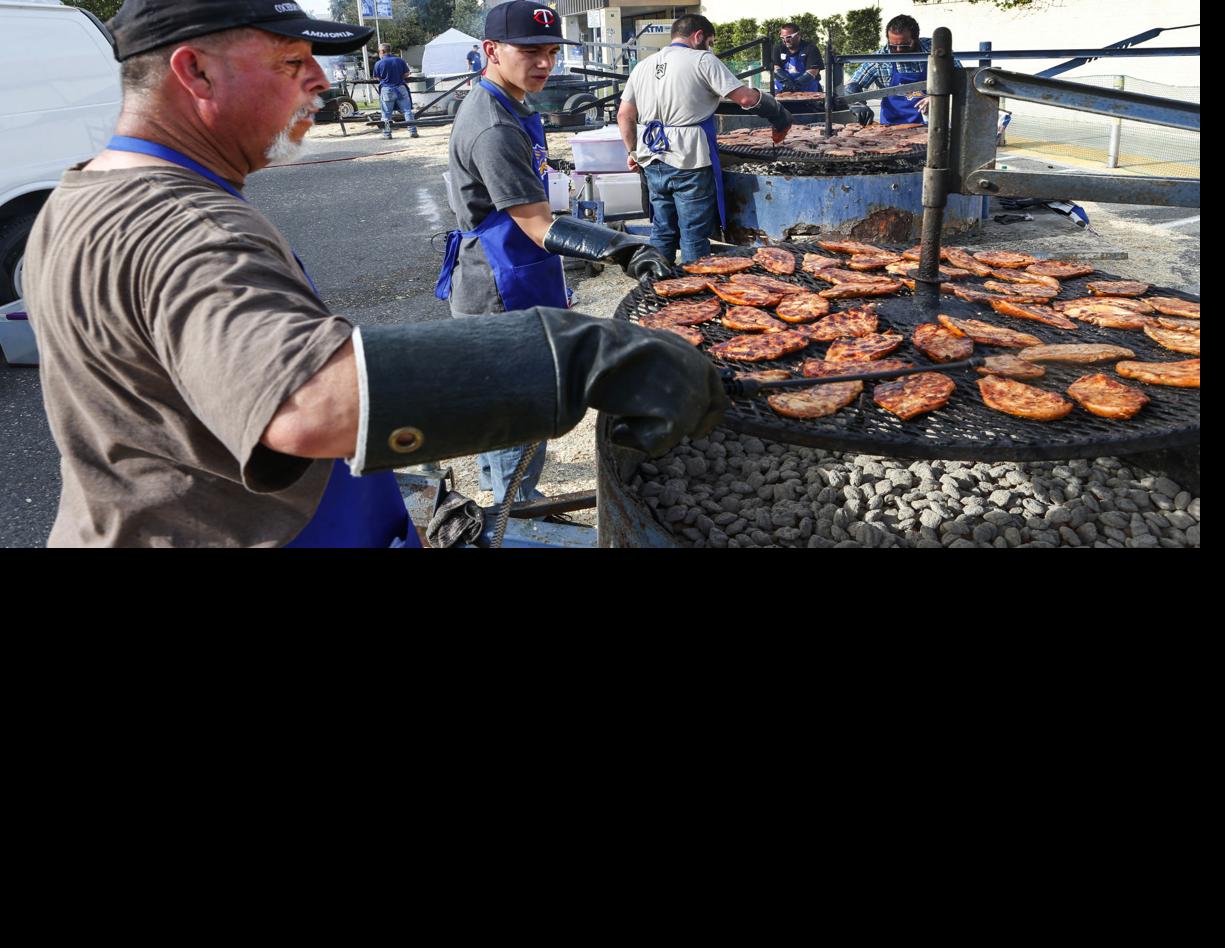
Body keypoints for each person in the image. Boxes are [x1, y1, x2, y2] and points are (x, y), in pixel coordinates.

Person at [23, 0, 718, 547]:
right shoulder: (182, 225)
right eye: (292, 60)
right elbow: (308, 405)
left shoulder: (85, 191)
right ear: (194, 72)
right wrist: (581, 353)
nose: (322, 81)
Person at [438, 0, 678, 512]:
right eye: (529, 51)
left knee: (496, 397)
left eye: (550, 51)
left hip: (510, 267)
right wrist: (623, 246)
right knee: (522, 400)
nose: (544, 63)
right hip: (499, 284)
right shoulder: (494, 125)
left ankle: (500, 484)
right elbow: (538, 223)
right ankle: (516, 510)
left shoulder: (510, 101)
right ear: (491, 50)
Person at [618, 14, 794, 267]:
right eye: (709, 41)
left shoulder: (644, 65)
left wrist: (633, 152)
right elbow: (744, 98)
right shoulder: (702, 59)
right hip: (687, 156)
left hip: (652, 156)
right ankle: (694, 293)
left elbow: (624, 115)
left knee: (663, 229)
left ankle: (655, 285)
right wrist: (779, 114)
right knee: (693, 234)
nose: (710, 47)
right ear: (698, 36)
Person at [843, 14, 954, 126]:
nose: (898, 50)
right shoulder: (880, 59)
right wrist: (856, 103)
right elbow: (852, 84)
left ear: (916, 39)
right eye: (892, 46)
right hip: (892, 128)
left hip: (931, 126)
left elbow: (960, 77)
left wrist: (936, 96)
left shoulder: (934, 50)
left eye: (905, 46)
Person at [372, 42, 417, 139]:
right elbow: (406, 74)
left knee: (386, 114)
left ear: (382, 51)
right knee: (407, 111)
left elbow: (377, 78)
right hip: (401, 88)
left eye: (379, 51)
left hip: (387, 90)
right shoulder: (400, 61)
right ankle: (413, 131)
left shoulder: (378, 63)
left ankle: (387, 134)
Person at [770, 22, 821, 94]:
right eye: (782, 38)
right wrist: (786, 81)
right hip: (783, 92)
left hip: (808, 93)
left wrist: (796, 84)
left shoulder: (810, 49)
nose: (785, 40)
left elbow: (813, 71)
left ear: (798, 35)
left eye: (788, 37)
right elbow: (775, 67)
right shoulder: (778, 48)